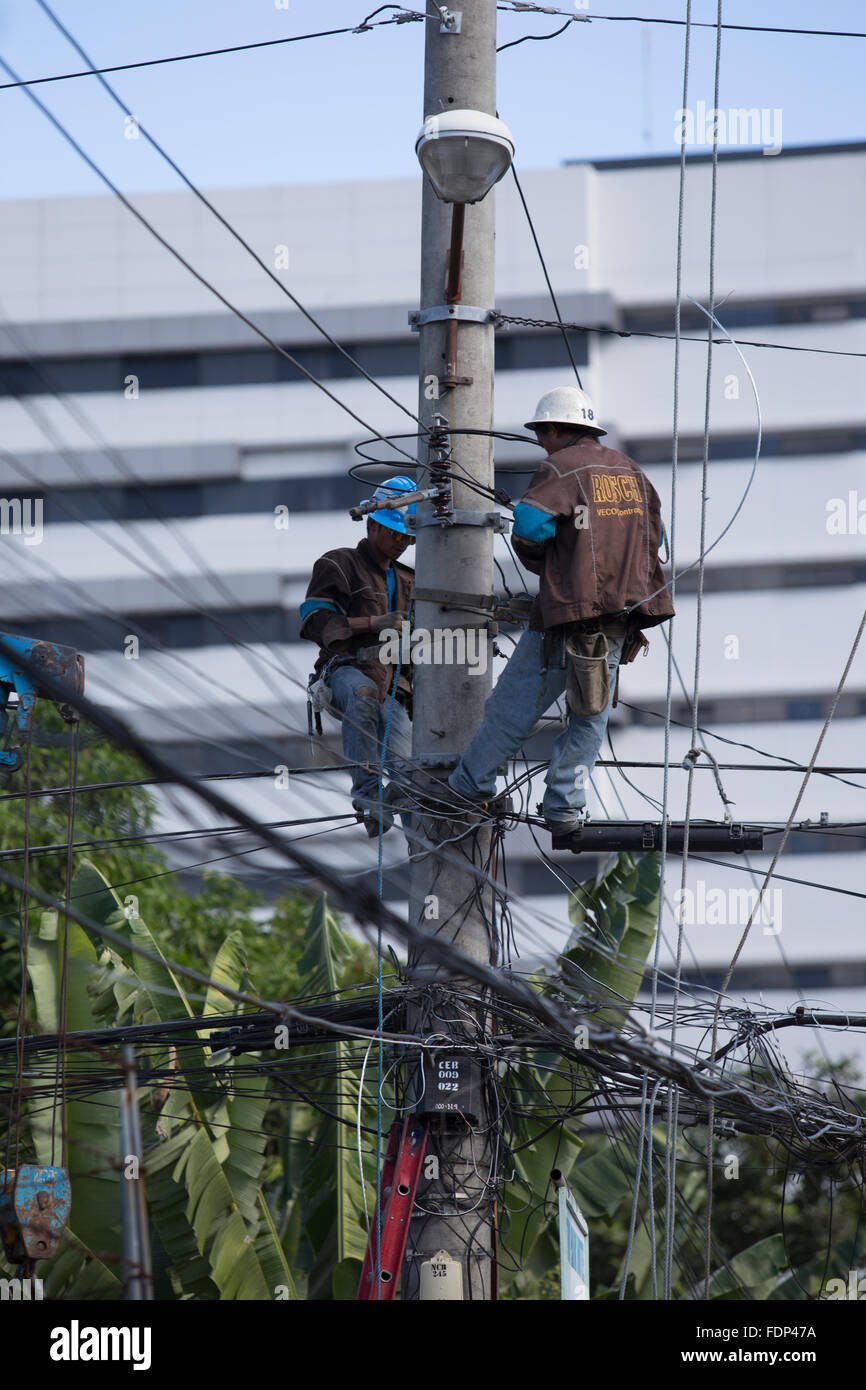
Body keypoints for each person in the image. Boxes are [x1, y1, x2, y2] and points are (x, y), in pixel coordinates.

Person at [448, 386, 674, 841]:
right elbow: (659, 541)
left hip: (567, 618)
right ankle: (565, 808)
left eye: (541, 434)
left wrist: (550, 555)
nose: (541, 443)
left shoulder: (560, 466)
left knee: (511, 710)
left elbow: (530, 527)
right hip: (615, 624)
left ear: (553, 429)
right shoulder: (632, 472)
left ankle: (467, 788)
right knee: (589, 716)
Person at [300, 476, 416, 836]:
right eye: (395, 534)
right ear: (371, 524)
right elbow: (314, 621)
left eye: (407, 537)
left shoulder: (412, 580)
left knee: (412, 775)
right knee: (363, 694)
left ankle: (425, 845)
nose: (401, 543)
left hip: (392, 685)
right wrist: (372, 622)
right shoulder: (339, 564)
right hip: (346, 671)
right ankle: (368, 796)